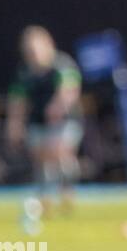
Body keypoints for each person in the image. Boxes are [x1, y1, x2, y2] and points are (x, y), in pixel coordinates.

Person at [5, 26, 83, 218]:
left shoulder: (62, 65)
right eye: (29, 51)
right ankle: (45, 200)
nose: (33, 55)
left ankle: (67, 194)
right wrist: (14, 126)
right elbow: (18, 102)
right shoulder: (25, 73)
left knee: (59, 156)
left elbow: (69, 89)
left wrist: (57, 107)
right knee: (42, 162)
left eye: (36, 50)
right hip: (38, 122)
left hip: (64, 122)